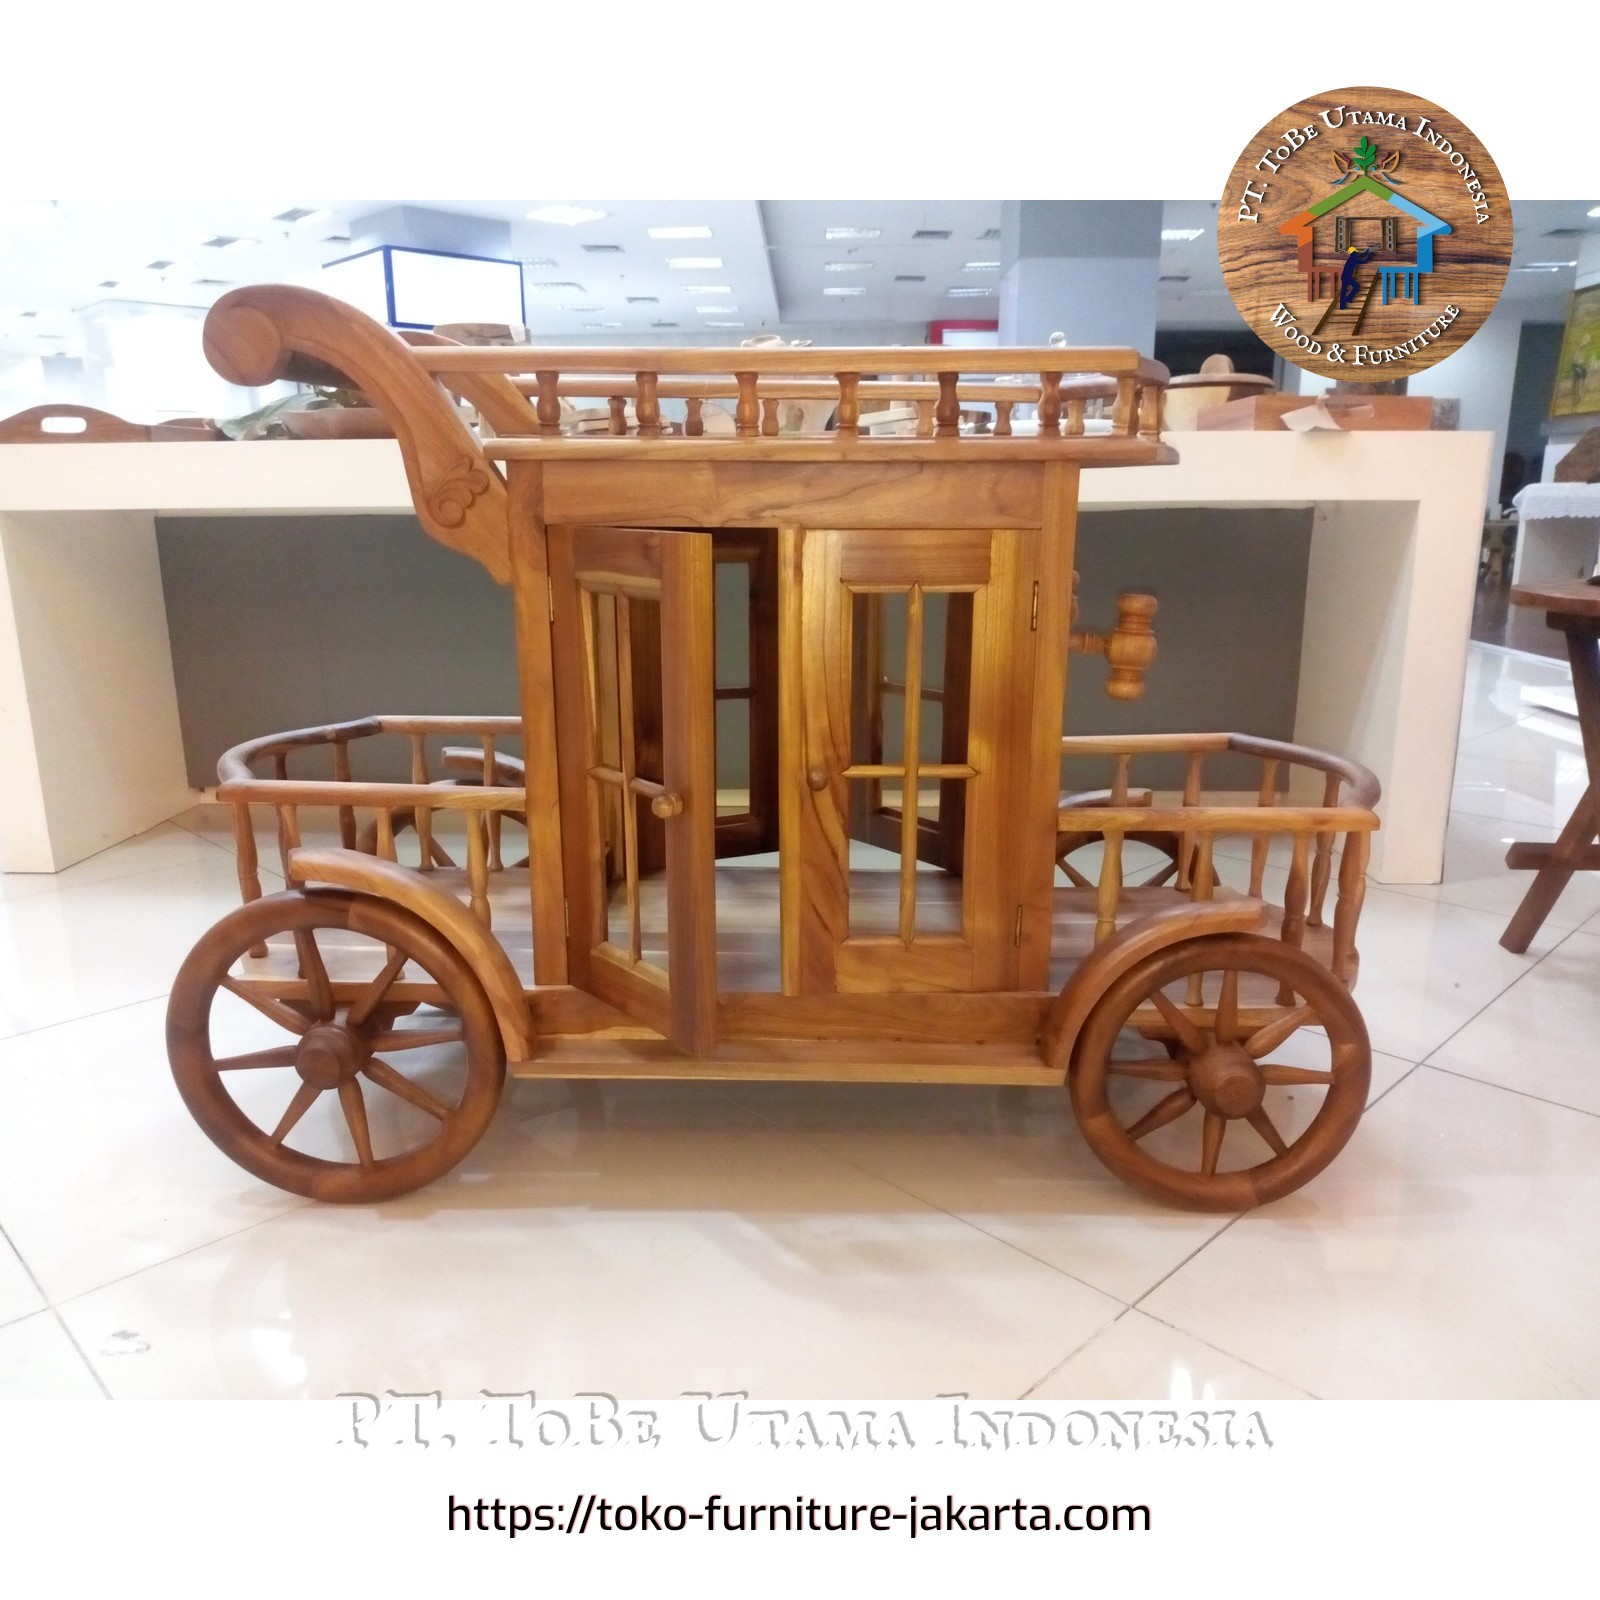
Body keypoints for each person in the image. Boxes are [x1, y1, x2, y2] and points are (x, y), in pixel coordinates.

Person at [1338, 246, 1374, 310]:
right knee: (1355, 287)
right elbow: (1364, 261)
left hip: (1345, 277)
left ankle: (1344, 303)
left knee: (1345, 291)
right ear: (1354, 253)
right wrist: (1369, 256)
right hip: (1347, 277)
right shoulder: (1353, 259)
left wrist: (1366, 252)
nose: (1356, 253)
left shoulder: (1352, 258)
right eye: (1355, 252)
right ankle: (1347, 299)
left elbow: (1359, 256)